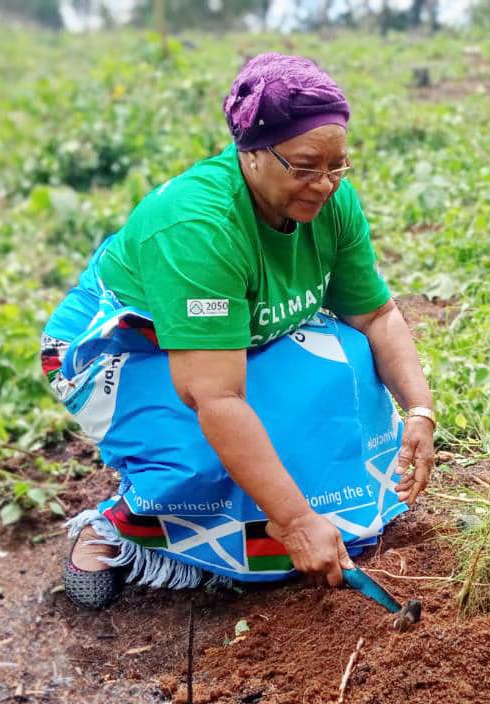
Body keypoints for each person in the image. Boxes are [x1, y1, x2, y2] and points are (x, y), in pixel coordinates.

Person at [41, 53, 435, 610]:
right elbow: (215, 394)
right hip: (121, 350)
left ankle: (286, 508)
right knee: (202, 457)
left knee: (345, 365)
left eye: (336, 166)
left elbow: (374, 316)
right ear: (251, 151)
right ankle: (118, 531)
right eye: (303, 166)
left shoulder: (331, 200)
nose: (324, 185)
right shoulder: (199, 226)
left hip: (241, 337)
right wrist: (295, 520)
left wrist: (419, 409)